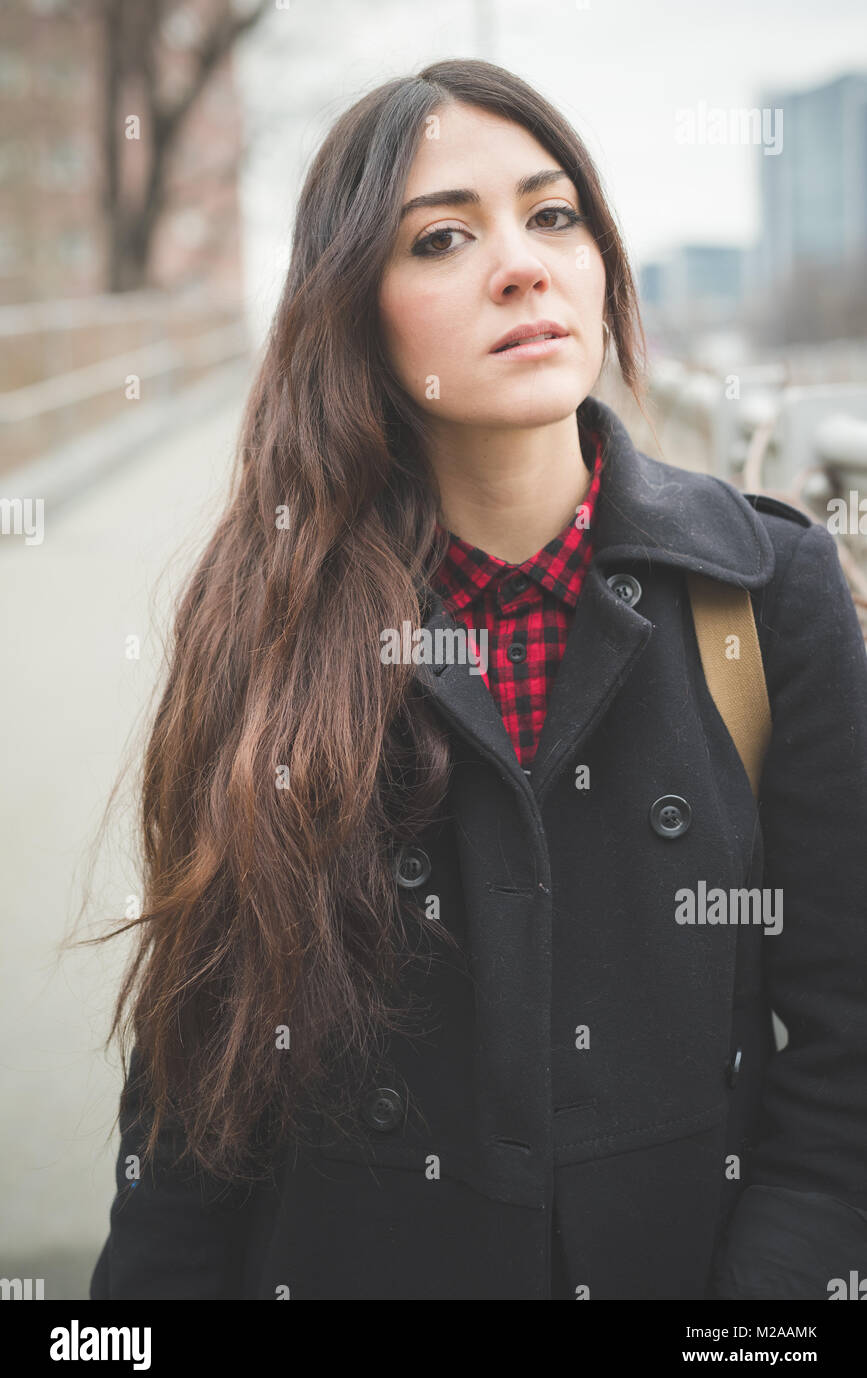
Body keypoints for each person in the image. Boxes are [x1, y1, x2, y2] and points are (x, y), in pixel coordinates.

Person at [88, 57, 867, 1301]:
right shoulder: (268, 620)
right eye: (443, 237)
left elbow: (846, 1080)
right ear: (356, 312)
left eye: (553, 214)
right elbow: (194, 1111)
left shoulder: (765, 596)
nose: (523, 263)